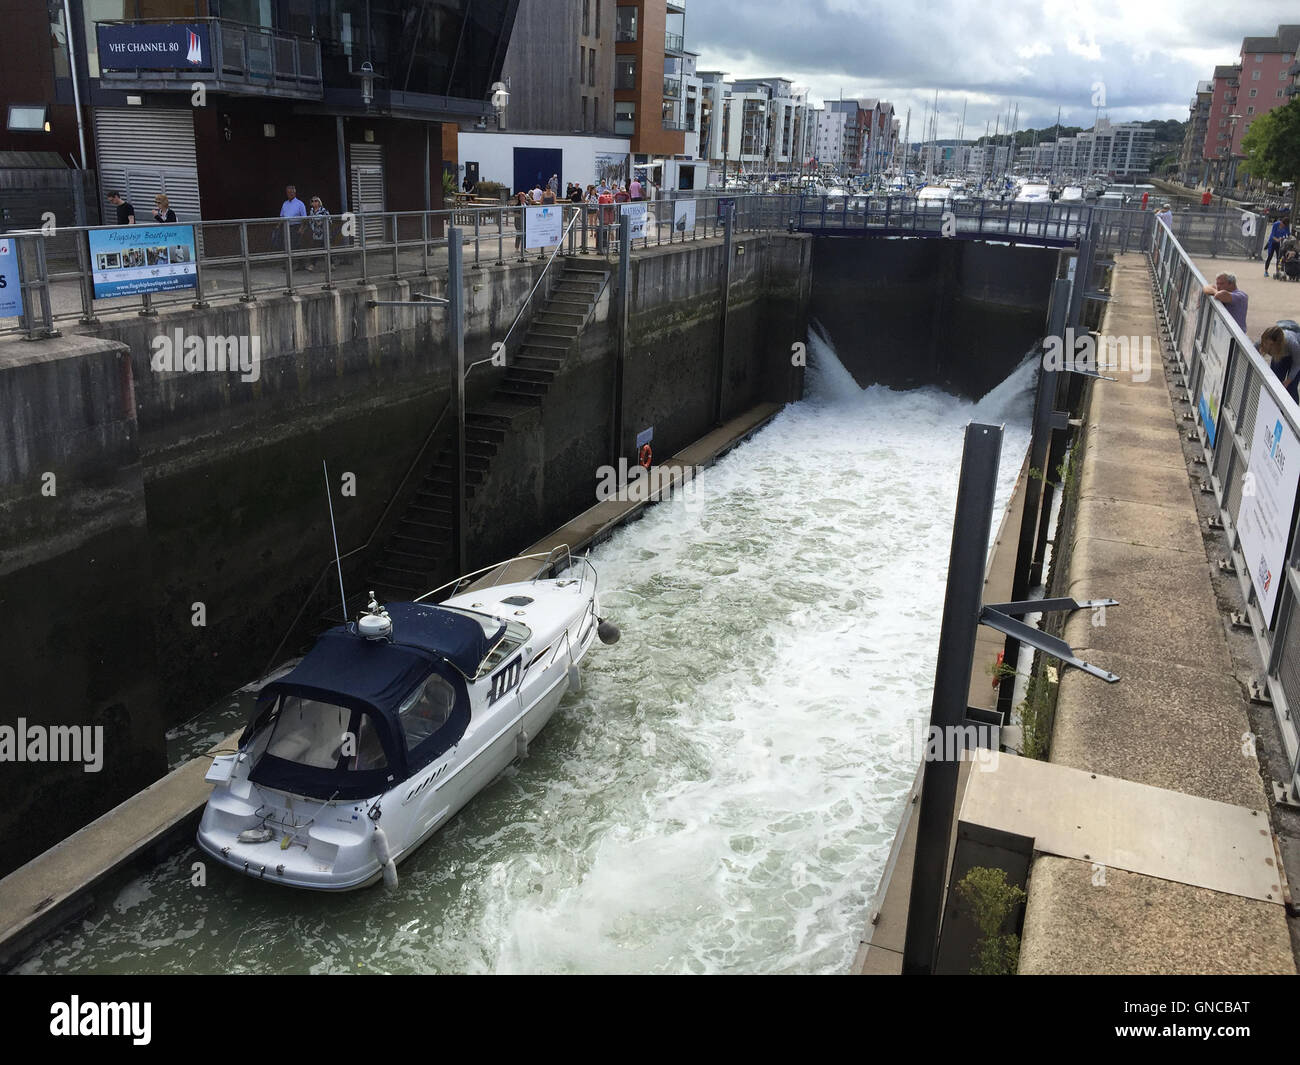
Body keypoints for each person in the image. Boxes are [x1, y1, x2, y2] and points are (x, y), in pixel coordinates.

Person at [1259, 325, 1300, 403]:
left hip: (1297, 357)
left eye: (1270, 344)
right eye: (1265, 343)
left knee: (1291, 387)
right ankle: (1273, 407)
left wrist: (1288, 380)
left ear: (1278, 344)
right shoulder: (1264, 340)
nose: (1266, 346)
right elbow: (1252, 350)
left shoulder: (1293, 343)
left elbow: (1297, 364)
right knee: (1274, 381)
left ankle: (1293, 411)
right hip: (1280, 355)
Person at [277, 184, 306, 251]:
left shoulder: (300, 204)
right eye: (288, 192)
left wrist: (301, 228)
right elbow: (282, 216)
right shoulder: (285, 203)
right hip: (285, 227)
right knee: (285, 245)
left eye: (291, 192)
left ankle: (299, 261)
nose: (290, 194)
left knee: (295, 246)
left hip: (296, 227)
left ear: (294, 193)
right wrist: (278, 226)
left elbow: (304, 218)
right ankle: (288, 261)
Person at [305, 195, 329, 271]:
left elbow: (329, 219)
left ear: (319, 202)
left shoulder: (323, 210)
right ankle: (331, 264)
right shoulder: (311, 211)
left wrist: (321, 222)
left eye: (316, 201)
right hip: (315, 233)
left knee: (322, 248)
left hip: (324, 233)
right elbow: (310, 220)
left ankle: (312, 265)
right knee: (318, 248)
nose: (314, 202)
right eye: (312, 201)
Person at [1265, 212, 1291, 278]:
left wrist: (1287, 238)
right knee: (1270, 256)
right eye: (1282, 225)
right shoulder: (1276, 224)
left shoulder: (1286, 227)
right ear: (1281, 222)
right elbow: (1272, 235)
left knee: (1279, 258)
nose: (1283, 226)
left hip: (1279, 243)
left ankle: (1277, 271)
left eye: (1284, 226)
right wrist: (1276, 239)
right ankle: (1266, 271)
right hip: (1272, 242)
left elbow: (1288, 235)